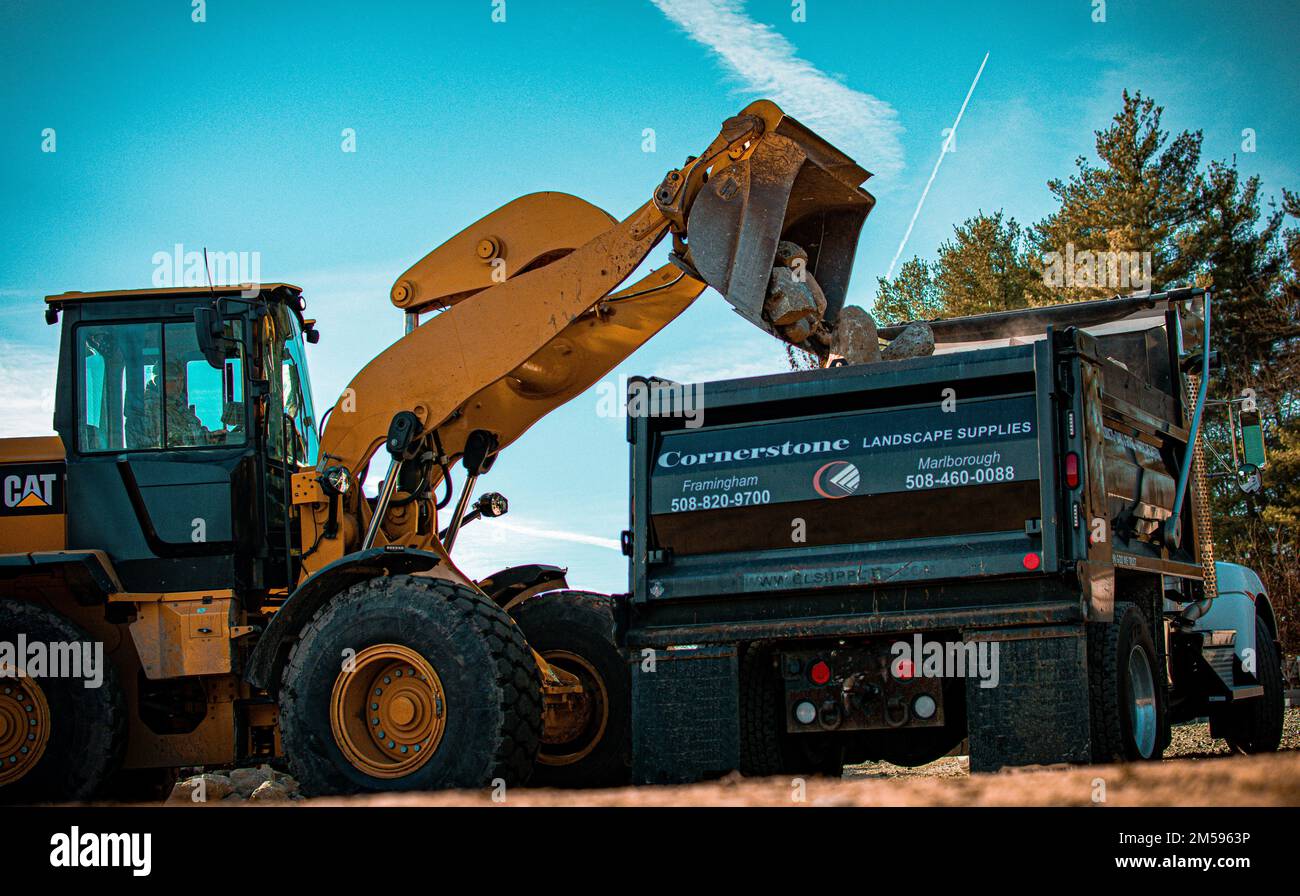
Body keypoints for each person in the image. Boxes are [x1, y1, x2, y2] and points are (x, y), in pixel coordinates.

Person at [126, 359, 212, 448]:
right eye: (174, 380)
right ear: (159, 381)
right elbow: (170, 441)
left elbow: (192, 430)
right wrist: (206, 437)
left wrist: (213, 437)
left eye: (181, 380)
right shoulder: (148, 408)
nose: (179, 386)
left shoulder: (177, 405)